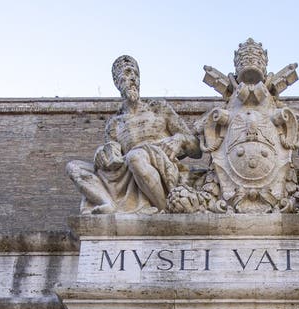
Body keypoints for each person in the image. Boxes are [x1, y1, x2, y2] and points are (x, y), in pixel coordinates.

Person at [67, 55, 200, 214]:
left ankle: (164, 209)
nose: (133, 79)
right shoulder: (114, 123)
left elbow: (197, 149)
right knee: (73, 167)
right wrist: (101, 154)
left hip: (159, 164)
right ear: (117, 82)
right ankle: (108, 204)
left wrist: (179, 138)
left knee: (135, 156)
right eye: (127, 73)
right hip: (128, 172)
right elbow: (113, 155)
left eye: (136, 75)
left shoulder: (157, 107)